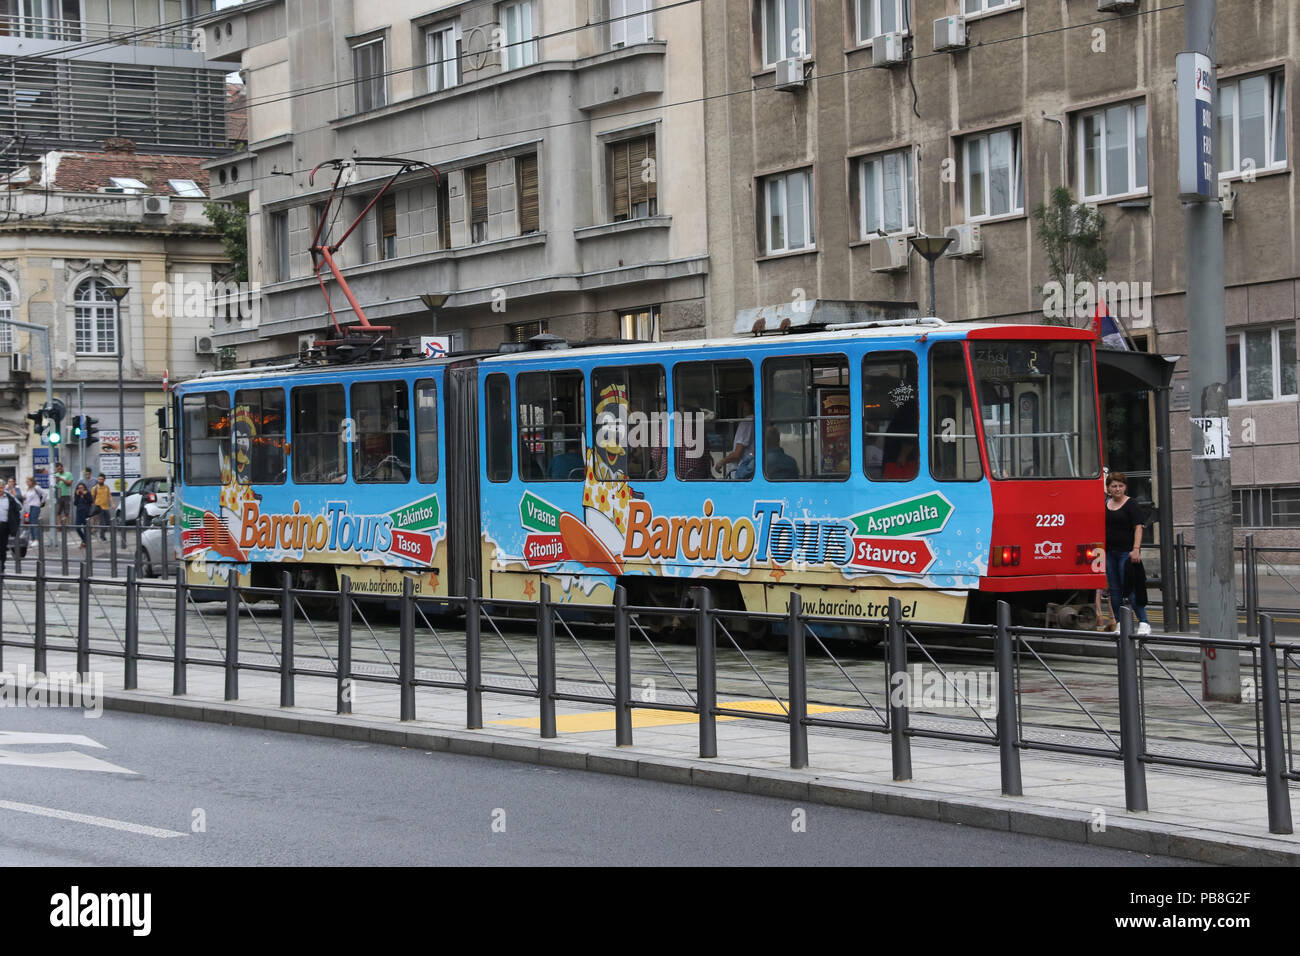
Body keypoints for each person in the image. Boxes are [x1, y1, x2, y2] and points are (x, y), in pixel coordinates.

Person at [1104, 471, 1151, 636]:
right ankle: (1119, 623)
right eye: (1114, 486)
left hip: (1127, 553)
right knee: (1115, 590)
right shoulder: (1105, 504)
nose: (1117, 489)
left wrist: (1136, 549)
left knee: (1131, 589)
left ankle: (1144, 622)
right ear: (1108, 488)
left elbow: (1138, 527)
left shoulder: (1131, 504)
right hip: (1110, 553)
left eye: (1121, 486)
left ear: (1125, 487)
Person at [717, 390, 754, 479]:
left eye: (743, 402)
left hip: (742, 471)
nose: (742, 405)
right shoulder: (757, 422)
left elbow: (737, 454)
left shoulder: (747, 422)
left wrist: (721, 462)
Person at [0, 480, 20, 571]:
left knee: (2, 547)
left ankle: (1, 566)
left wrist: (14, 523)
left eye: (1, 487)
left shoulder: (9, 498)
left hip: (4, 526)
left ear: (4, 488)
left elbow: (18, 509)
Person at [23, 476, 47, 546]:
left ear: (32, 481)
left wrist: (41, 502)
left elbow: (44, 494)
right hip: (29, 507)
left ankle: (36, 539)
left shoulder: (36, 487)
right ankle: (32, 539)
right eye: (26, 482)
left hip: (35, 506)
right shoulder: (28, 489)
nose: (27, 483)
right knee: (30, 522)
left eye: (28, 481)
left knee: (34, 522)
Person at [91, 473, 113, 541]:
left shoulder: (106, 487)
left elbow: (110, 496)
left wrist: (112, 503)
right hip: (99, 507)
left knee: (108, 523)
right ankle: (102, 537)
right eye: (99, 479)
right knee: (102, 522)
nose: (100, 480)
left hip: (106, 507)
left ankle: (102, 534)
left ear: (104, 480)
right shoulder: (95, 488)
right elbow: (92, 497)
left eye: (101, 479)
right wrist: (93, 504)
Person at [73, 482, 93, 547]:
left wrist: (84, 495)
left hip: (86, 512)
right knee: (77, 527)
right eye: (79, 488)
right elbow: (75, 503)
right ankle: (84, 540)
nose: (80, 489)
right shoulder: (77, 494)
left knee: (85, 529)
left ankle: (85, 542)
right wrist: (77, 495)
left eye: (81, 488)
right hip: (79, 512)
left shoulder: (87, 493)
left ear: (84, 487)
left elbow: (90, 502)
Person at [54, 461, 73, 528]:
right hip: (59, 494)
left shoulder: (68, 474)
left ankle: (67, 524)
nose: (59, 470)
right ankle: (59, 525)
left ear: (62, 468)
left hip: (66, 494)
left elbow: (69, 483)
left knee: (66, 511)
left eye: (60, 468)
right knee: (58, 510)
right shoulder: (56, 475)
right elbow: (54, 485)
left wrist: (61, 479)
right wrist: (56, 480)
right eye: (58, 469)